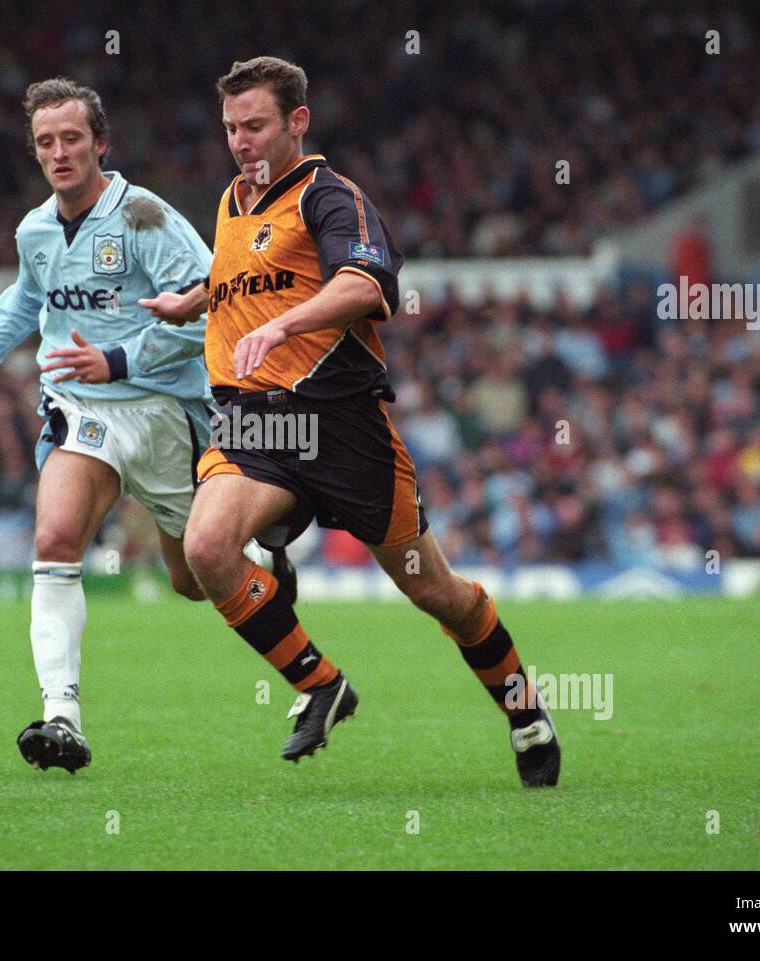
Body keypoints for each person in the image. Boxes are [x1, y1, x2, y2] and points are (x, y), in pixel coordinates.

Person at [140, 57, 560, 785]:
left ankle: (524, 709)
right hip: (254, 429)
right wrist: (195, 298)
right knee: (206, 547)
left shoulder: (332, 198)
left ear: (297, 121)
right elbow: (248, 277)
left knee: (437, 593)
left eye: (257, 126)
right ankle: (321, 683)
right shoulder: (232, 202)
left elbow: (363, 283)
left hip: (342, 428)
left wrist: (284, 326)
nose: (241, 141)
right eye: (231, 128)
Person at [0, 77, 292, 773]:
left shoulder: (148, 219)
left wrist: (120, 356)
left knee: (195, 578)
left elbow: (221, 308)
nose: (59, 152)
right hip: (81, 407)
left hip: (165, 413)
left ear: (101, 143)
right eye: (45, 142)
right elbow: (23, 299)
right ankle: (61, 718)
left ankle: (275, 587)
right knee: (56, 535)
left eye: (72, 138)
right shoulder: (36, 230)